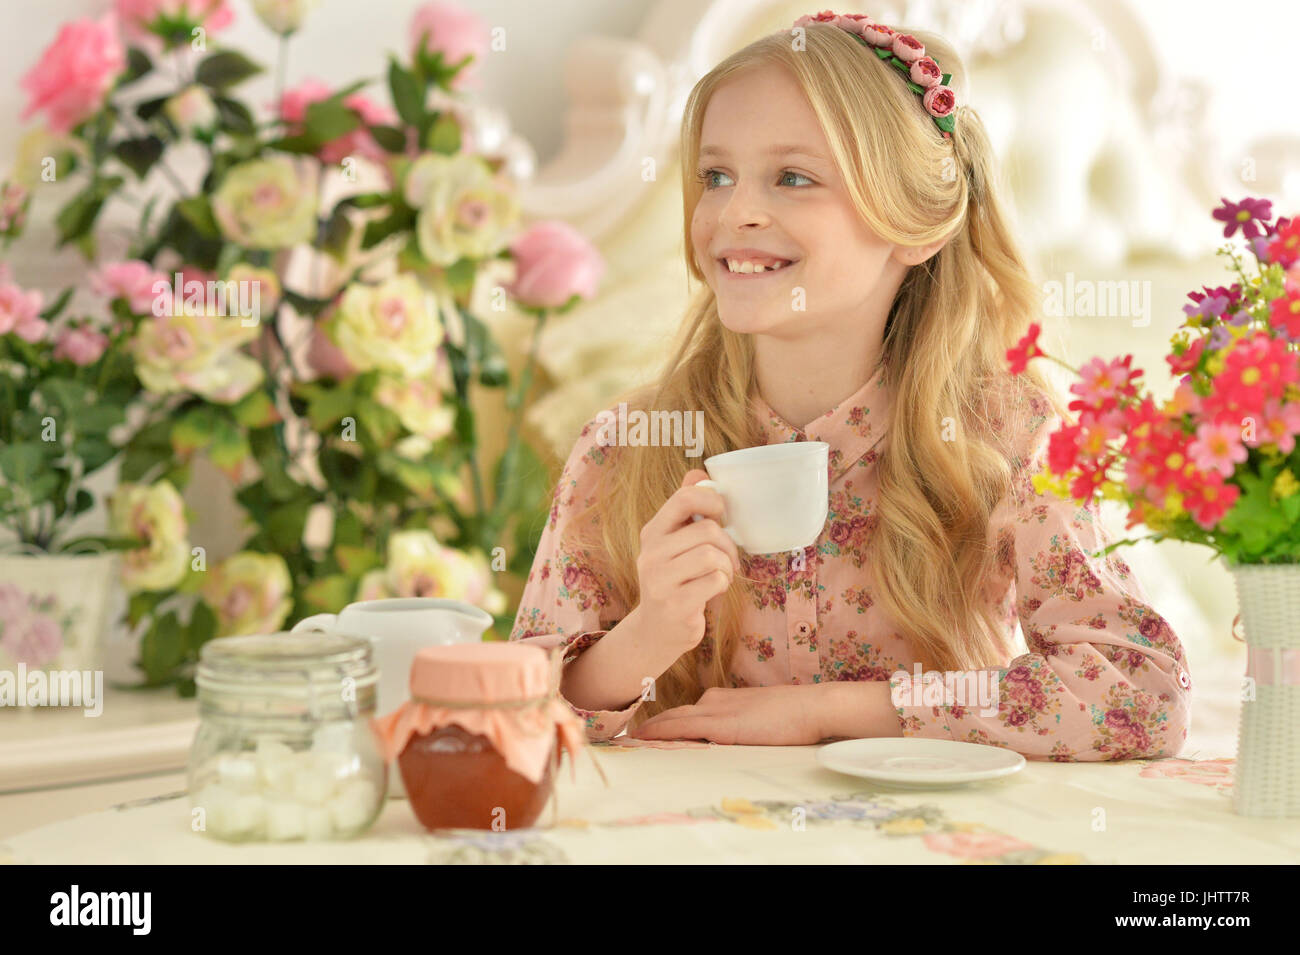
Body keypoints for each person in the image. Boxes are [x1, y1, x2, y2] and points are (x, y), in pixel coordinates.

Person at [510, 13, 1191, 760]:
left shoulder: (1009, 435)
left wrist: (826, 711)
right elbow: (508, 715)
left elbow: (1141, 695)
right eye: (716, 176)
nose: (736, 212)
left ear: (916, 226)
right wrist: (641, 641)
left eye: (793, 177)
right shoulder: (623, 449)